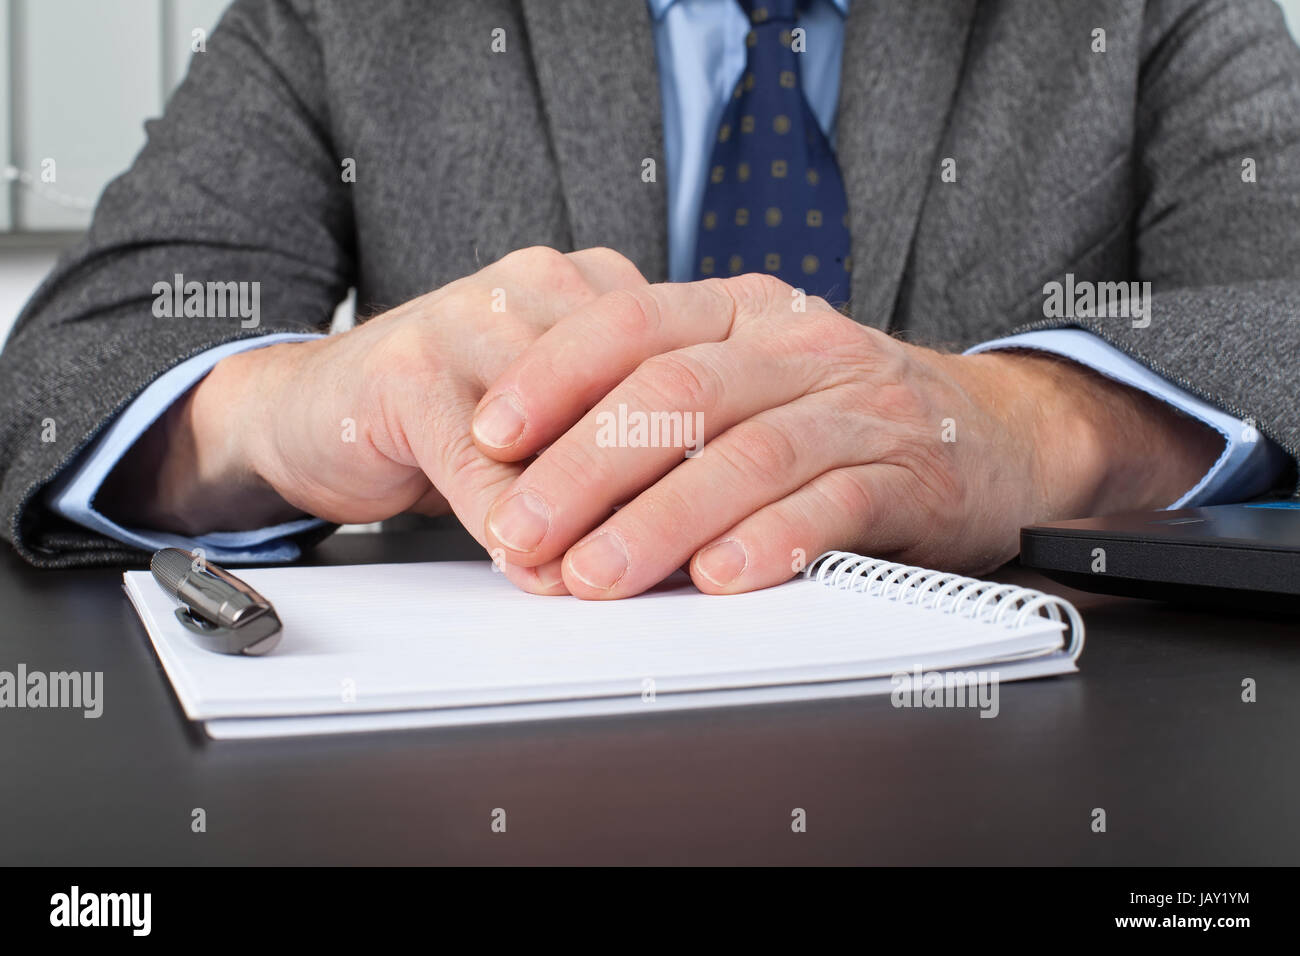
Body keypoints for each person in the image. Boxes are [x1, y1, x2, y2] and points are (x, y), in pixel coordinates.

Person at [1, 0, 1296, 600]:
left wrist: (1038, 423)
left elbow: (1281, 312)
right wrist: (265, 411)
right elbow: (70, 368)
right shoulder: (350, 18)